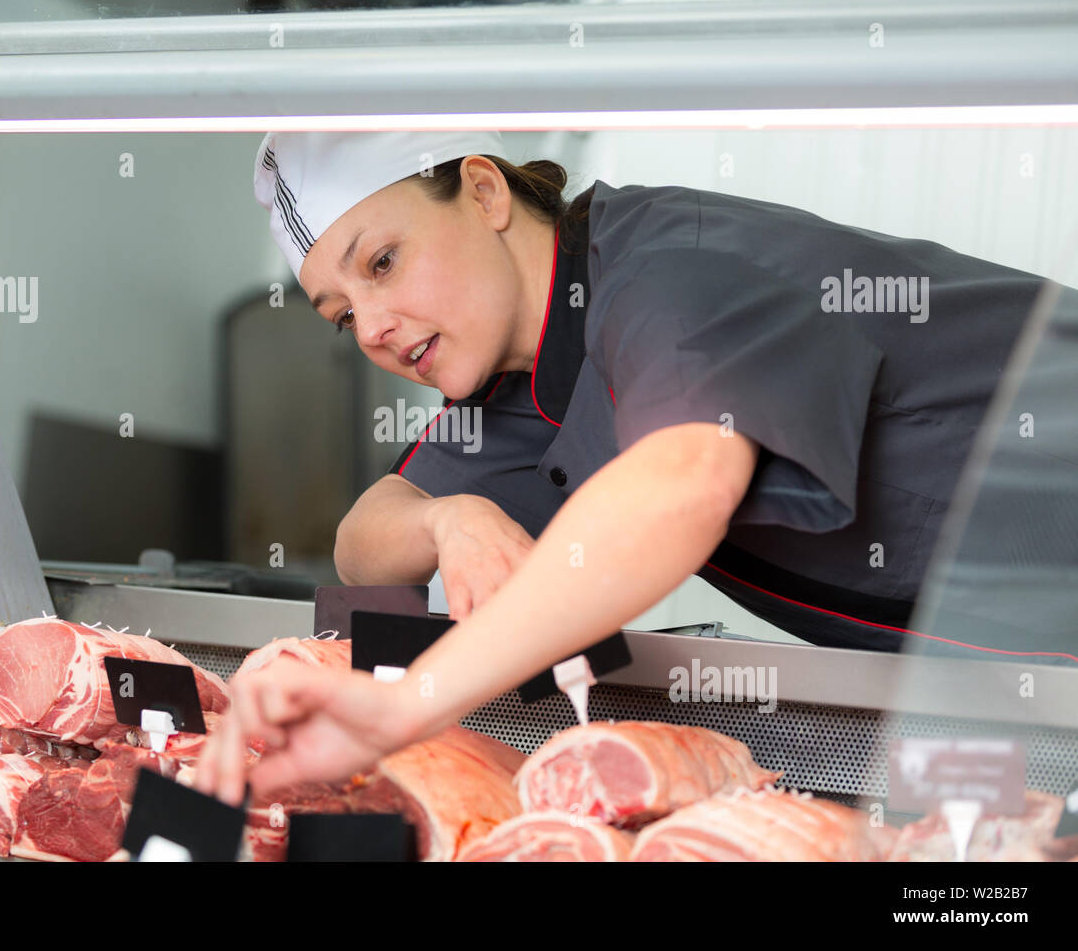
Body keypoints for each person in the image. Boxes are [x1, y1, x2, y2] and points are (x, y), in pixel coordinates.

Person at [195, 129, 1067, 805]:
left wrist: (405, 705)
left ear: (486, 191)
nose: (375, 326)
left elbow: (681, 484)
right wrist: (449, 518)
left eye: (383, 263)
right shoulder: (516, 381)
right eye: (345, 316)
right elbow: (361, 543)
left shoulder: (663, 270)